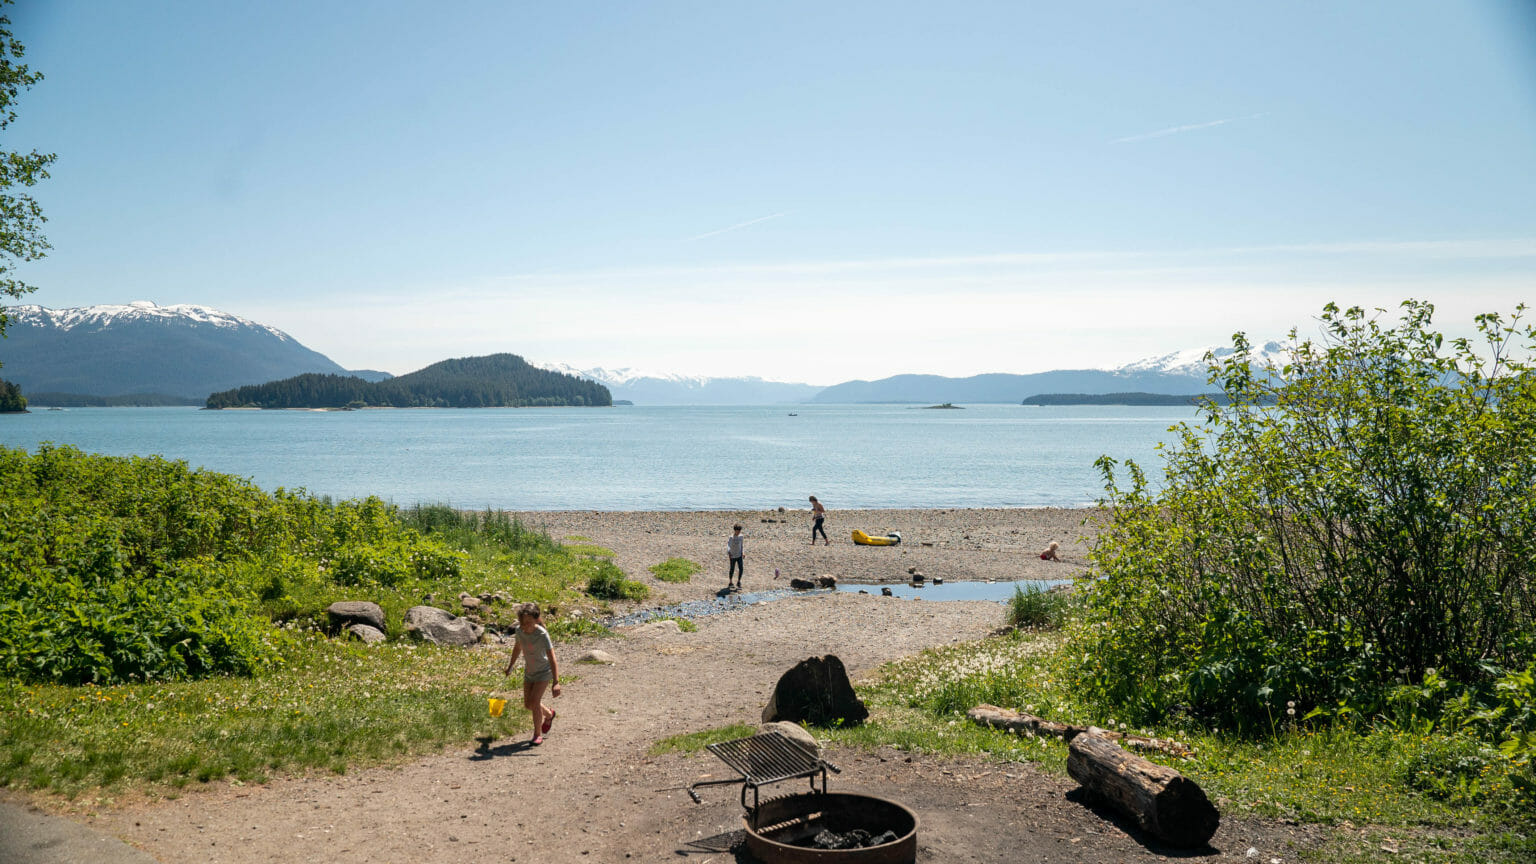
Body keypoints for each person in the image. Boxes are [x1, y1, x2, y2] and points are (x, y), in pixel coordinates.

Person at [503, 602, 561, 745]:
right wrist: (510, 666)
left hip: (544, 672)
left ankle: (537, 734)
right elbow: (517, 648)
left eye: (528, 622)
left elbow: (552, 658)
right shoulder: (519, 631)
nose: (525, 626)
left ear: (536, 619)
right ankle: (549, 714)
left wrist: (556, 682)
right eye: (522, 622)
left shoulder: (542, 634)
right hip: (530, 672)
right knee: (528, 705)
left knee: (534, 702)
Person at [726, 523, 745, 589]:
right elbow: (728, 545)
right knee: (732, 569)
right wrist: (729, 553)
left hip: (739, 555)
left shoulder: (741, 536)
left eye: (740, 530)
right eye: (738, 530)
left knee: (741, 568)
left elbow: (742, 545)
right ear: (735, 530)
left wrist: (743, 552)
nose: (739, 532)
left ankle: (739, 582)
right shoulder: (731, 537)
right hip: (733, 555)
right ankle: (730, 582)